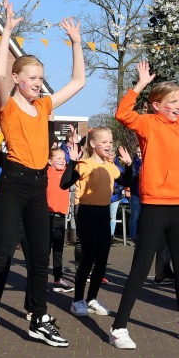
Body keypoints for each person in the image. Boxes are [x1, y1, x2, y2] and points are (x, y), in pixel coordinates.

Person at [0, 2, 84, 358]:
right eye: (31, 78)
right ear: (18, 79)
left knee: (39, 260)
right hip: (13, 184)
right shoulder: (9, 105)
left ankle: (39, 318)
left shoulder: (44, 106)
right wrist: (6, 32)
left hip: (38, 185)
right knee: (0, 255)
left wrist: (76, 42)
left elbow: (78, 81)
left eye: (40, 78)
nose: (37, 83)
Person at [106, 60, 179, 350]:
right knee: (140, 267)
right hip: (154, 206)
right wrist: (141, 84)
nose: (178, 106)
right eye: (172, 101)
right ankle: (118, 327)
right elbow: (122, 113)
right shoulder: (147, 123)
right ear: (156, 105)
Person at [63, 128, 133, 318]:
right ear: (93, 144)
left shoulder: (110, 166)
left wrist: (128, 165)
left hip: (103, 213)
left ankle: (92, 299)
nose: (109, 145)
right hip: (86, 212)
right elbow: (64, 183)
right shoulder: (84, 164)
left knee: (102, 259)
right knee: (88, 258)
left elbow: (127, 181)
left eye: (110, 141)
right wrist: (71, 162)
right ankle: (77, 300)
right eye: (104, 142)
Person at [45, 148, 74, 293]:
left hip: (61, 218)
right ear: (50, 161)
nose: (62, 160)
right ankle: (40, 281)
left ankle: (57, 280)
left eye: (64, 158)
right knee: (45, 251)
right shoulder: (47, 172)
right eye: (58, 158)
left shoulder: (66, 173)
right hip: (47, 217)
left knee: (58, 251)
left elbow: (75, 165)